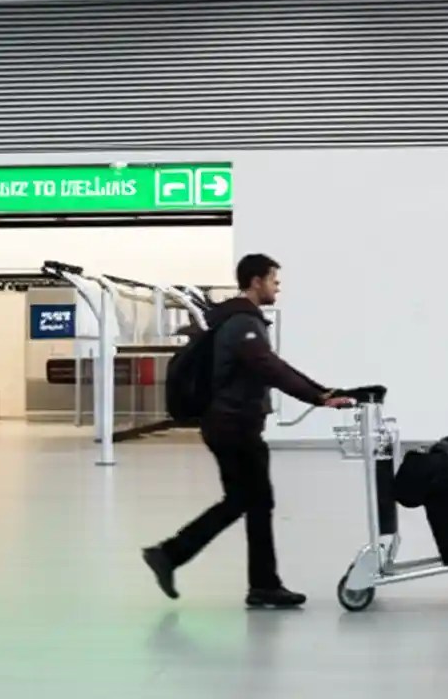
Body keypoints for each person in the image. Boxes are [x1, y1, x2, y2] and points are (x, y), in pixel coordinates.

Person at [142, 254, 353, 608]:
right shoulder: (243, 324)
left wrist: (320, 392)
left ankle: (249, 580)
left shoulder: (236, 320)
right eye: (274, 280)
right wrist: (318, 396)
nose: (277, 287)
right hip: (233, 426)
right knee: (251, 500)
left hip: (230, 423)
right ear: (256, 281)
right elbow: (269, 367)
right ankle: (177, 556)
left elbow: (270, 367)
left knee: (250, 501)